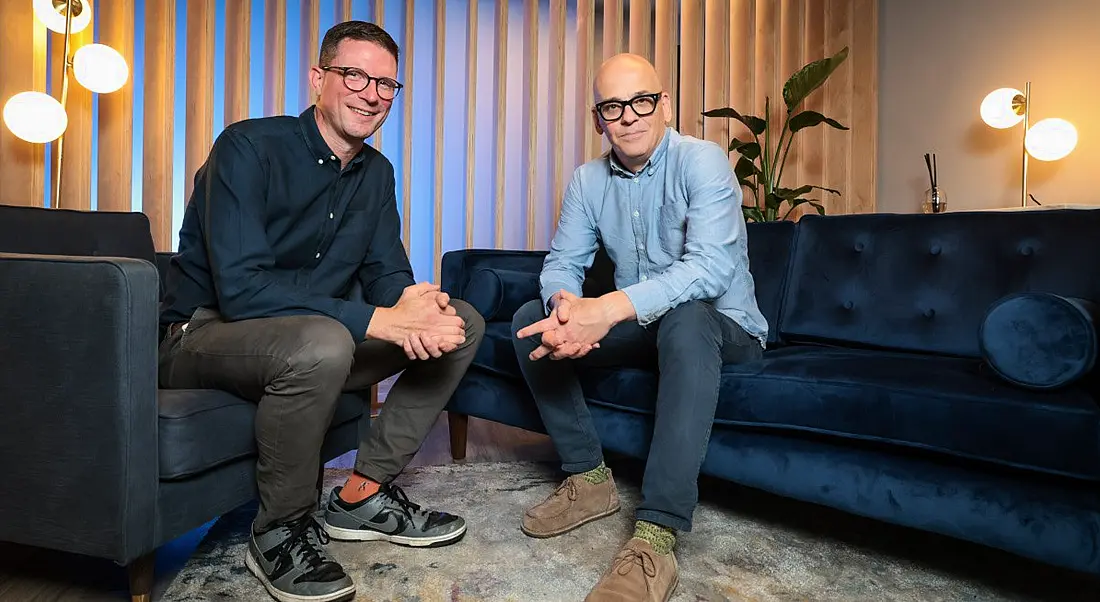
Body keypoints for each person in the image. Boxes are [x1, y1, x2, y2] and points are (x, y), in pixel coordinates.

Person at [158, 21, 484, 602]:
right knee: (324, 342)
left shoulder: (376, 173)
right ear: (318, 79)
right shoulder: (248, 147)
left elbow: (385, 272)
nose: (372, 93)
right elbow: (242, 290)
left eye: (387, 83)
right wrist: (382, 321)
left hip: (315, 342)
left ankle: (363, 493)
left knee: (462, 322)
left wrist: (416, 304)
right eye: (355, 75)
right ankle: (278, 529)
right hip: (205, 334)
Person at [512, 53, 768, 602]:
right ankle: (589, 479)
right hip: (646, 327)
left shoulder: (703, 161)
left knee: (688, 316)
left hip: (724, 328)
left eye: (641, 101)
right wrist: (565, 307)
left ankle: (655, 538)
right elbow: (562, 263)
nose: (628, 116)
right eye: (612, 106)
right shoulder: (587, 181)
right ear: (597, 118)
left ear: (665, 104)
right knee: (530, 322)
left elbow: (708, 270)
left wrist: (604, 310)